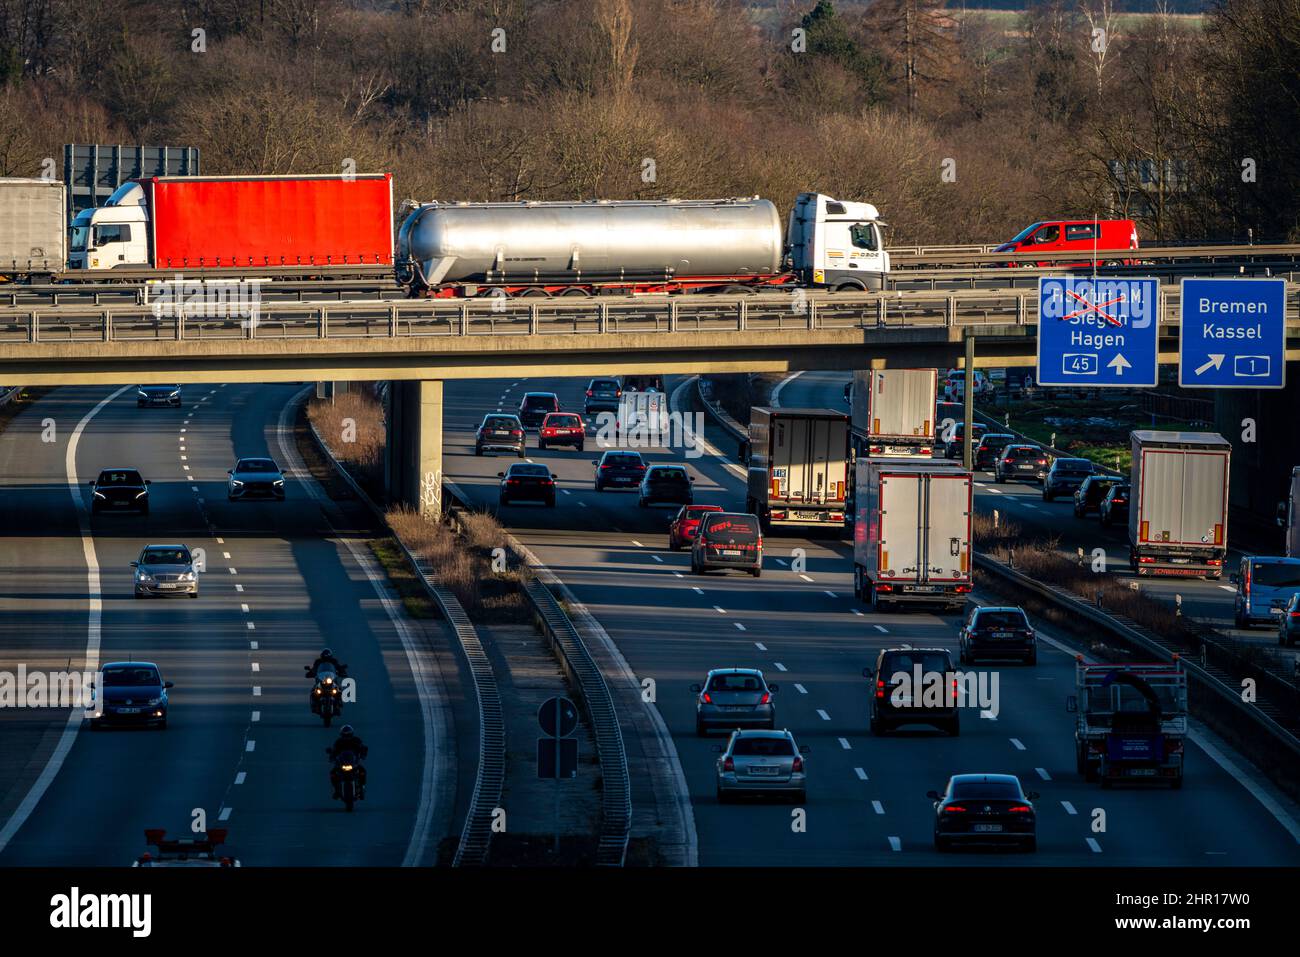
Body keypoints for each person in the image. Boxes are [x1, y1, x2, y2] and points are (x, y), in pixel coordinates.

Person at [328, 725, 368, 800]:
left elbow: (362, 748)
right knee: (333, 773)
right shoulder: (339, 742)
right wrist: (331, 756)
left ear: (351, 734)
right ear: (342, 734)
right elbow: (334, 750)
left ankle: (362, 788)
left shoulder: (356, 740)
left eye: (348, 734)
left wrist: (363, 753)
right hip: (342, 762)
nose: (347, 736)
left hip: (353, 762)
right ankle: (336, 790)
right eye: (345, 734)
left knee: (362, 771)